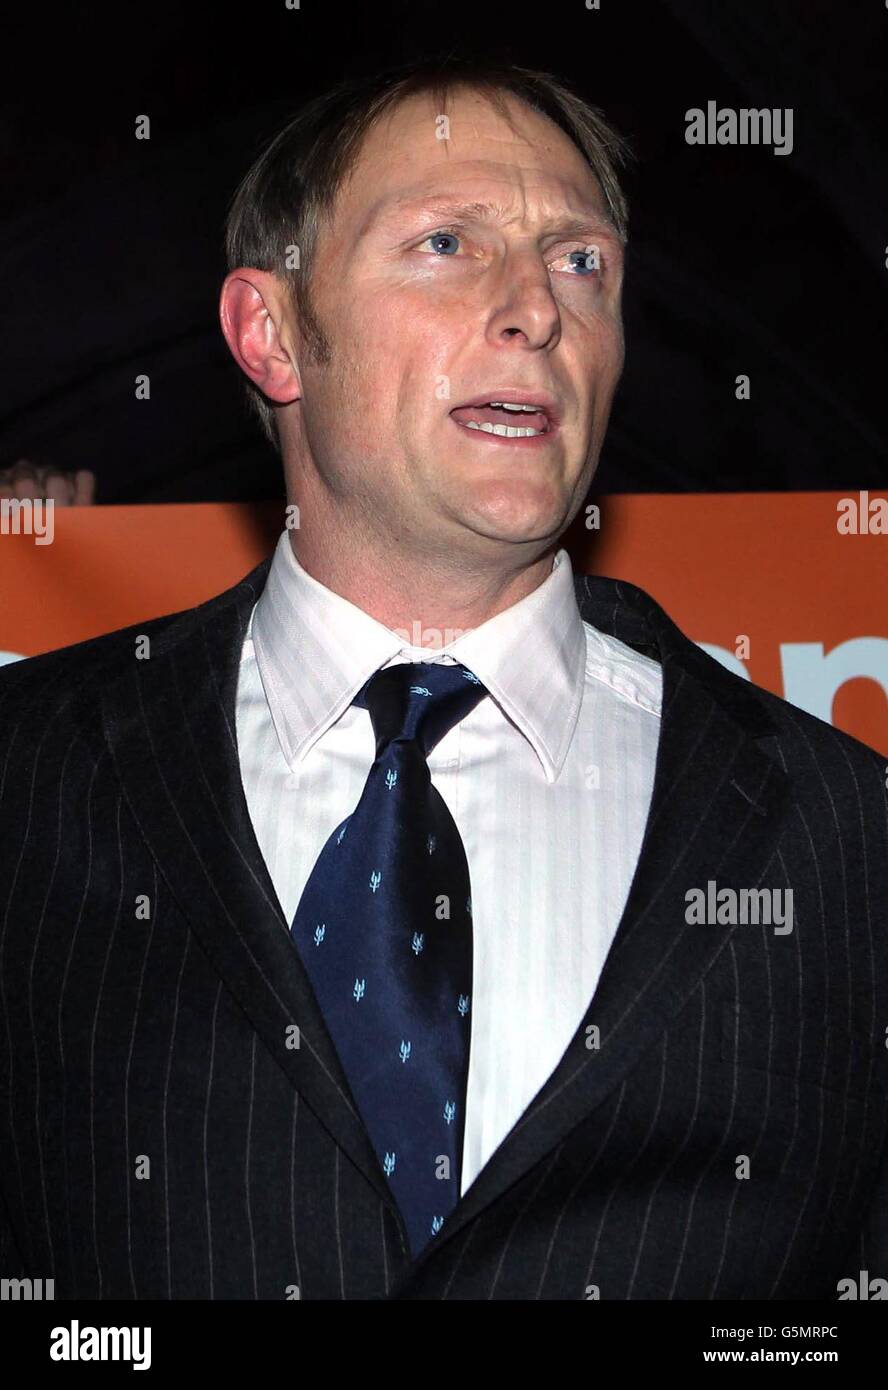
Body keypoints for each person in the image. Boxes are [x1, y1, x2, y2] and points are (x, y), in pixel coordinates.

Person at [0, 56, 885, 1302]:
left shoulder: (844, 834)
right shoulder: (30, 779)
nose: (538, 308)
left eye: (581, 261)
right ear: (272, 333)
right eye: (446, 242)